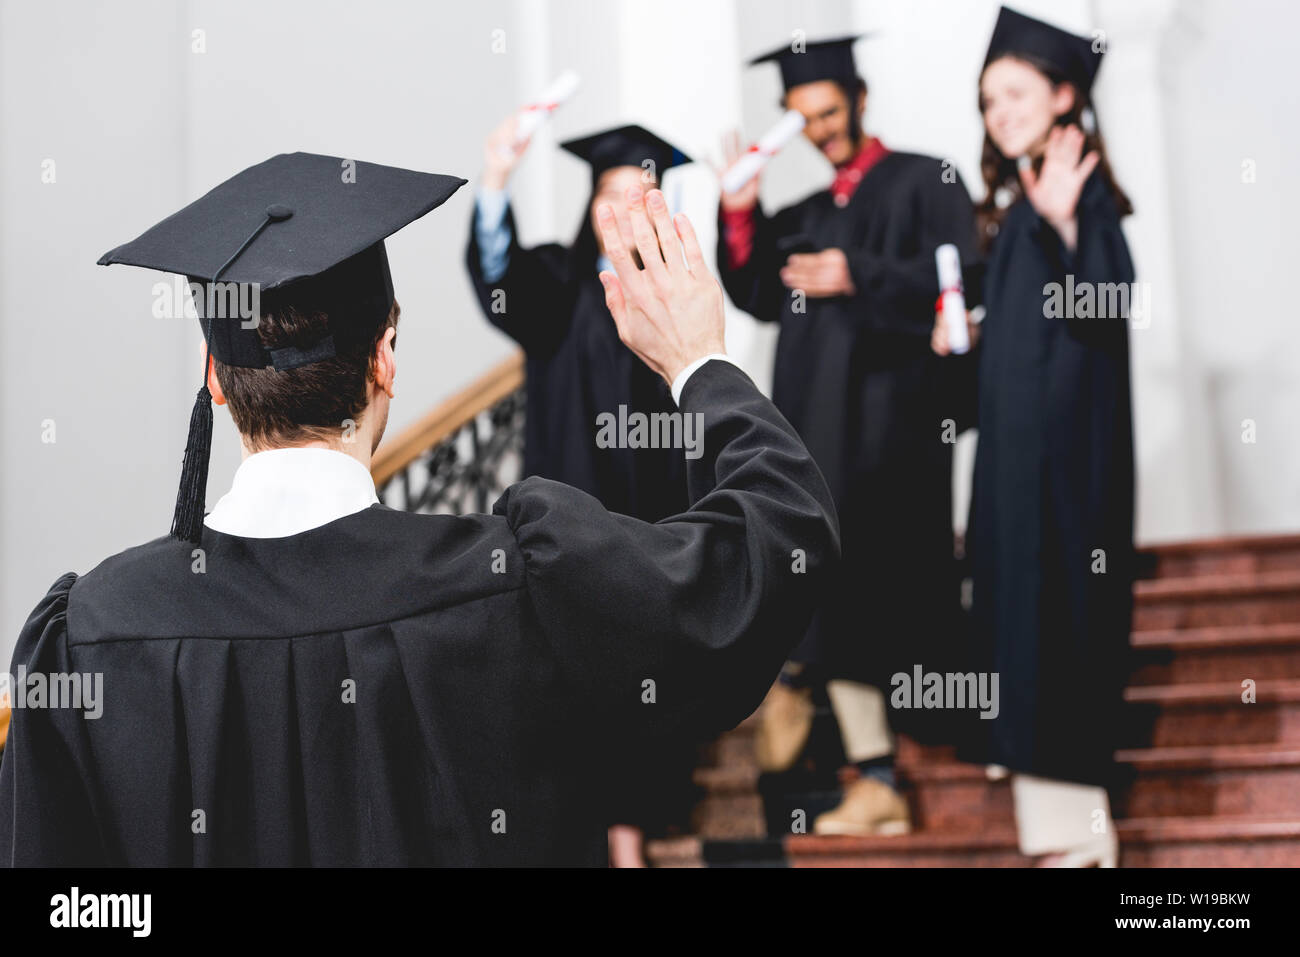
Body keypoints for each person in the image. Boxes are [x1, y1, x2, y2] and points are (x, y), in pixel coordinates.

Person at [0, 151, 838, 866]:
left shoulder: (92, 637)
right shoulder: (523, 585)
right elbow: (781, 536)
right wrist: (699, 362)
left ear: (216, 381)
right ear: (386, 357)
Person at [717, 36, 979, 835]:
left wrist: (856, 274)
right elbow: (758, 287)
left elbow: (960, 279)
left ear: (860, 98)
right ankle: (815, 744)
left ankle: (871, 768)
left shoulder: (925, 180)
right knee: (810, 582)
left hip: (888, 433)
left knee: (858, 589)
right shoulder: (806, 212)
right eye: (804, 118)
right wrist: (739, 205)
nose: (822, 128)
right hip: (812, 432)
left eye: (829, 111)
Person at [466, 123, 703, 865]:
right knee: (571, 670)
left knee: (642, 673)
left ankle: (630, 835)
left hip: (652, 515)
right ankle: (592, 832)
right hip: (568, 507)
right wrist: (496, 181)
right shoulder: (555, 279)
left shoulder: (673, 292)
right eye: (611, 192)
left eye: (641, 194)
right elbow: (498, 284)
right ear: (593, 201)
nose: (624, 206)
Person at [934, 7, 1135, 867]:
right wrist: (963, 344)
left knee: (1058, 626)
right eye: (988, 99)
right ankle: (1055, 841)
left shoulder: (1083, 200)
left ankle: (1084, 843)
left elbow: (1111, 310)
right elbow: (1000, 368)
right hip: (1012, 467)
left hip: (1068, 468)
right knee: (1015, 626)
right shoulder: (1011, 212)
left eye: (1015, 93)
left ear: (1063, 95)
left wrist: (1063, 228)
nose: (1000, 111)